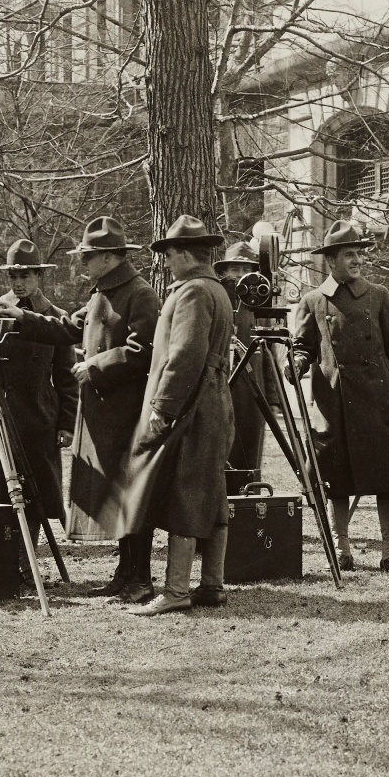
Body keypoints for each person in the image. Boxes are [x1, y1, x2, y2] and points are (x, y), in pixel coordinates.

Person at [7, 217, 161, 601]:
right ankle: (125, 574)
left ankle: (141, 579)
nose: (83, 263)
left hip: (129, 414)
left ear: (108, 257)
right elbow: (65, 327)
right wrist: (21, 318)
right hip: (107, 415)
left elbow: (144, 350)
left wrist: (94, 366)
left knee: (133, 497)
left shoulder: (140, 294)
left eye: (88, 256)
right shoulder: (101, 294)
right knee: (118, 496)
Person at [116, 216, 235, 615]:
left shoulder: (193, 292)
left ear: (185, 255)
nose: (166, 262)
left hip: (191, 406)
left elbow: (184, 355)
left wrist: (163, 407)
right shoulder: (216, 290)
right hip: (214, 401)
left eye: (169, 254)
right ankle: (212, 584)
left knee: (186, 493)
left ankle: (177, 590)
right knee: (210, 492)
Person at [288, 221, 389, 575]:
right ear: (331, 261)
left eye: (359, 253)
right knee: (335, 479)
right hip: (335, 406)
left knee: (388, 476)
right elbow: (302, 346)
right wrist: (296, 362)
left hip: (378, 402)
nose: (357, 260)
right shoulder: (313, 300)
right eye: (349, 255)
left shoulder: (379, 295)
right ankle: (342, 549)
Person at [0, 239, 79, 550]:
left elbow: (66, 378)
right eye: (13, 276)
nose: (19, 283)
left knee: (33, 494)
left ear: (39, 276)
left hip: (35, 417)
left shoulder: (55, 317)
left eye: (25, 276)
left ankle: (25, 558)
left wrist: (66, 424)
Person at [215, 240, 272, 485]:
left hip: (253, 390)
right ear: (224, 271)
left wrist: (273, 397)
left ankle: (249, 492)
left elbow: (268, 354)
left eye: (246, 269)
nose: (240, 275)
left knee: (249, 447)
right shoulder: (217, 298)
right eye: (235, 269)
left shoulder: (260, 304)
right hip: (222, 385)